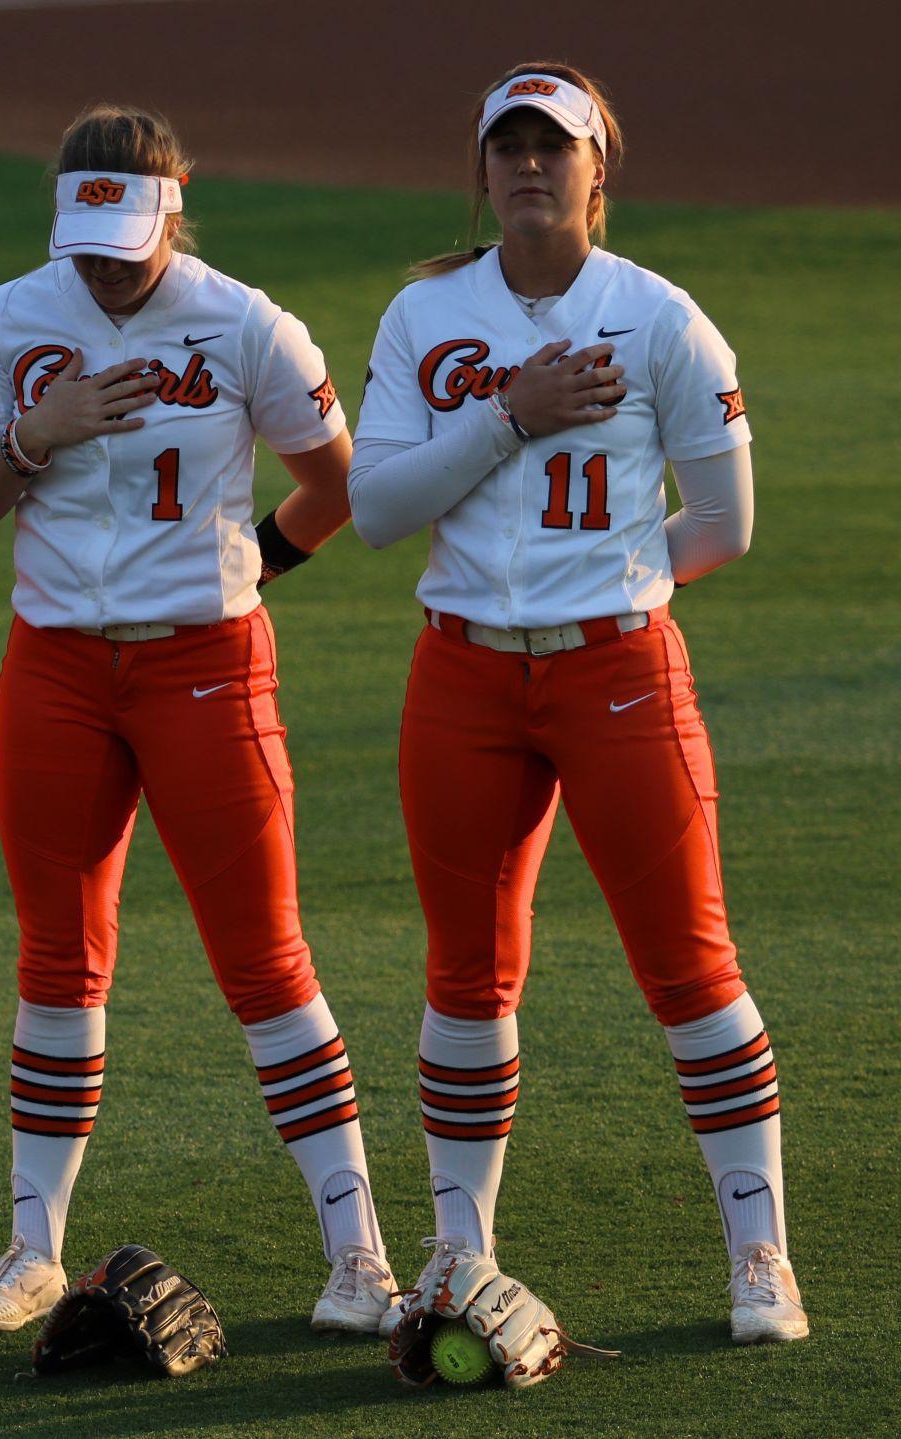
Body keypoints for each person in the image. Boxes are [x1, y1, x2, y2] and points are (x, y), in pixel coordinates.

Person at [349, 63, 807, 1380]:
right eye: (510, 147)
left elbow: (726, 526)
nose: (531, 167)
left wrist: (611, 585)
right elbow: (378, 510)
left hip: (617, 673)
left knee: (689, 962)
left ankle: (760, 1253)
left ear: (602, 170)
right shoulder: (428, 312)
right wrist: (510, 414)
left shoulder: (662, 320)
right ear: (480, 170)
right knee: (465, 971)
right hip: (464, 679)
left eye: (556, 147)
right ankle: (457, 1249)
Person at [0, 104, 395, 1335]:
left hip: (205, 663)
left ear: (175, 205)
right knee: (56, 956)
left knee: (263, 956)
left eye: (128, 235)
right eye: (85, 235)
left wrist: (254, 569)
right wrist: (38, 434)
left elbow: (335, 481)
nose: (104, 260)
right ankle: (33, 1249)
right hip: (58, 670)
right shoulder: (13, 316)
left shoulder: (246, 321)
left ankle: (359, 1255)